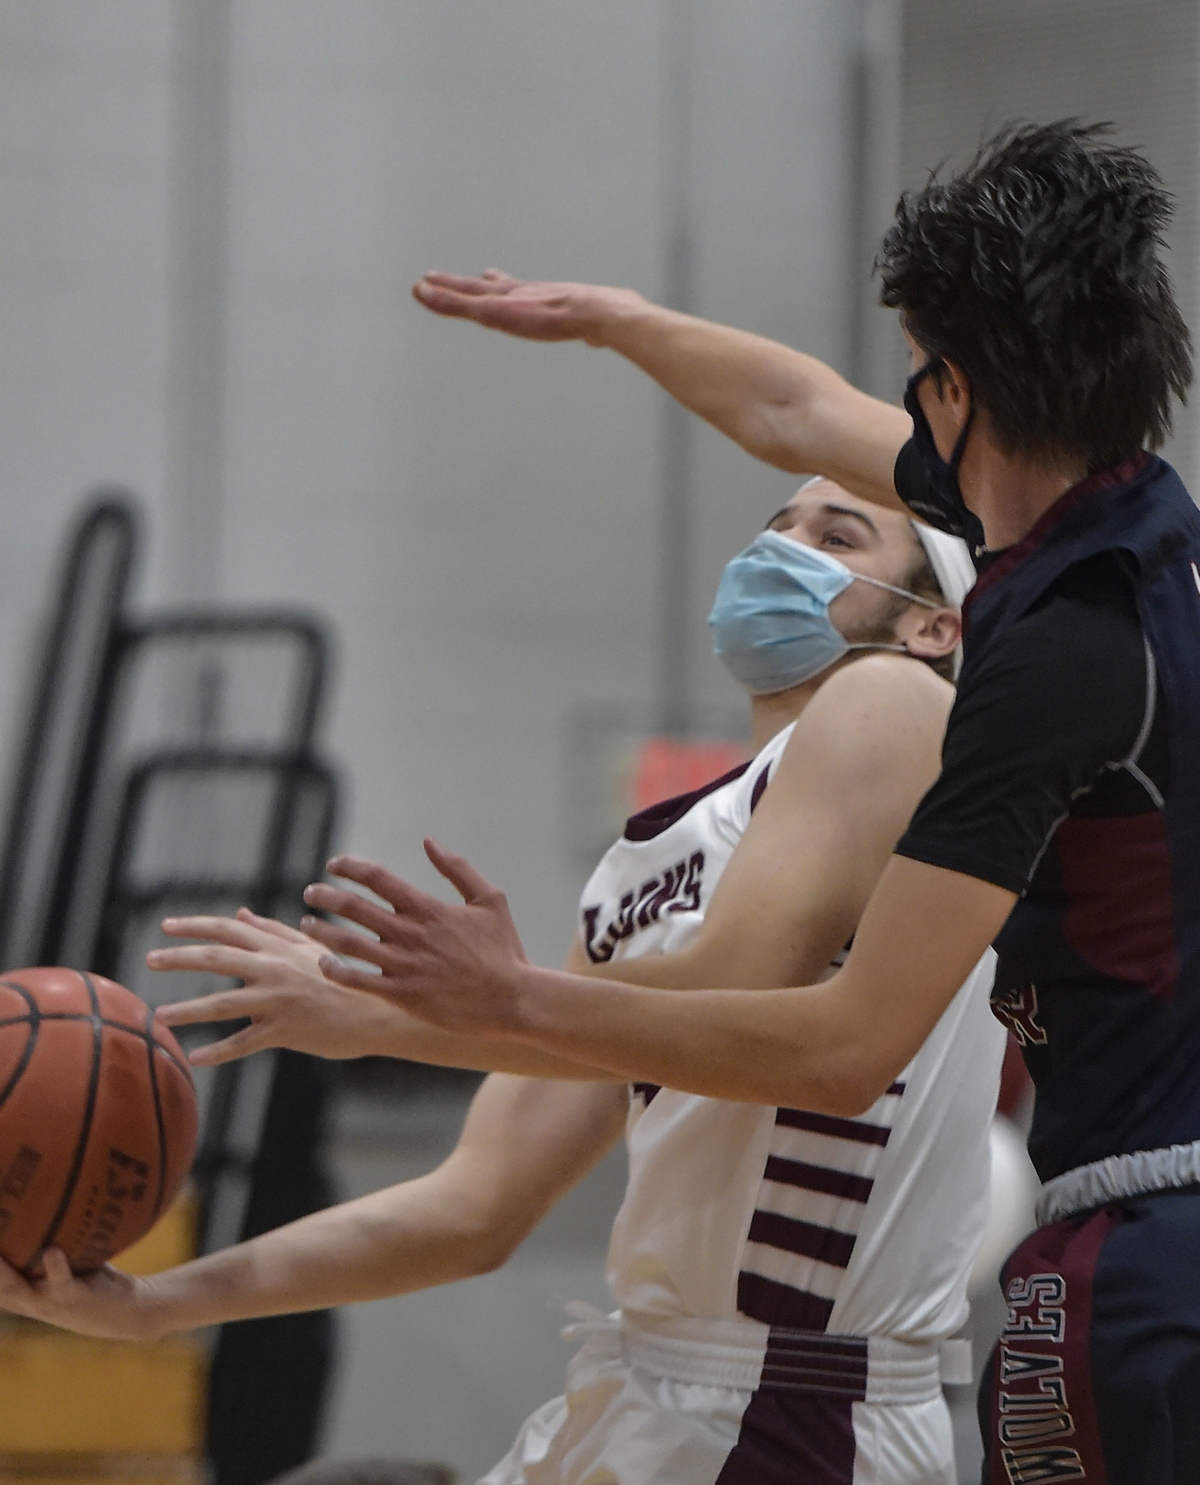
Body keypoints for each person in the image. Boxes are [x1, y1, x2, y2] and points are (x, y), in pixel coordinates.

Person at [282, 122, 1200, 1484]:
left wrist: (503, 1001)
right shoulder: (1139, 530)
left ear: (953, 388)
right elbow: (793, 407)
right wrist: (619, 320)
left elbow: (838, 1045)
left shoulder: (1040, 659)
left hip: (1138, 1232)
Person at [0, 481, 1005, 1485]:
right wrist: (153, 1305)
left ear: (930, 625)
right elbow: (475, 1208)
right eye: (778, 524)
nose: (785, 549)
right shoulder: (648, 865)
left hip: (802, 1412)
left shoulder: (898, 703)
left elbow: (727, 1004)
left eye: (838, 535)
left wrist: (397, 1014)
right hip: (653, 1399)